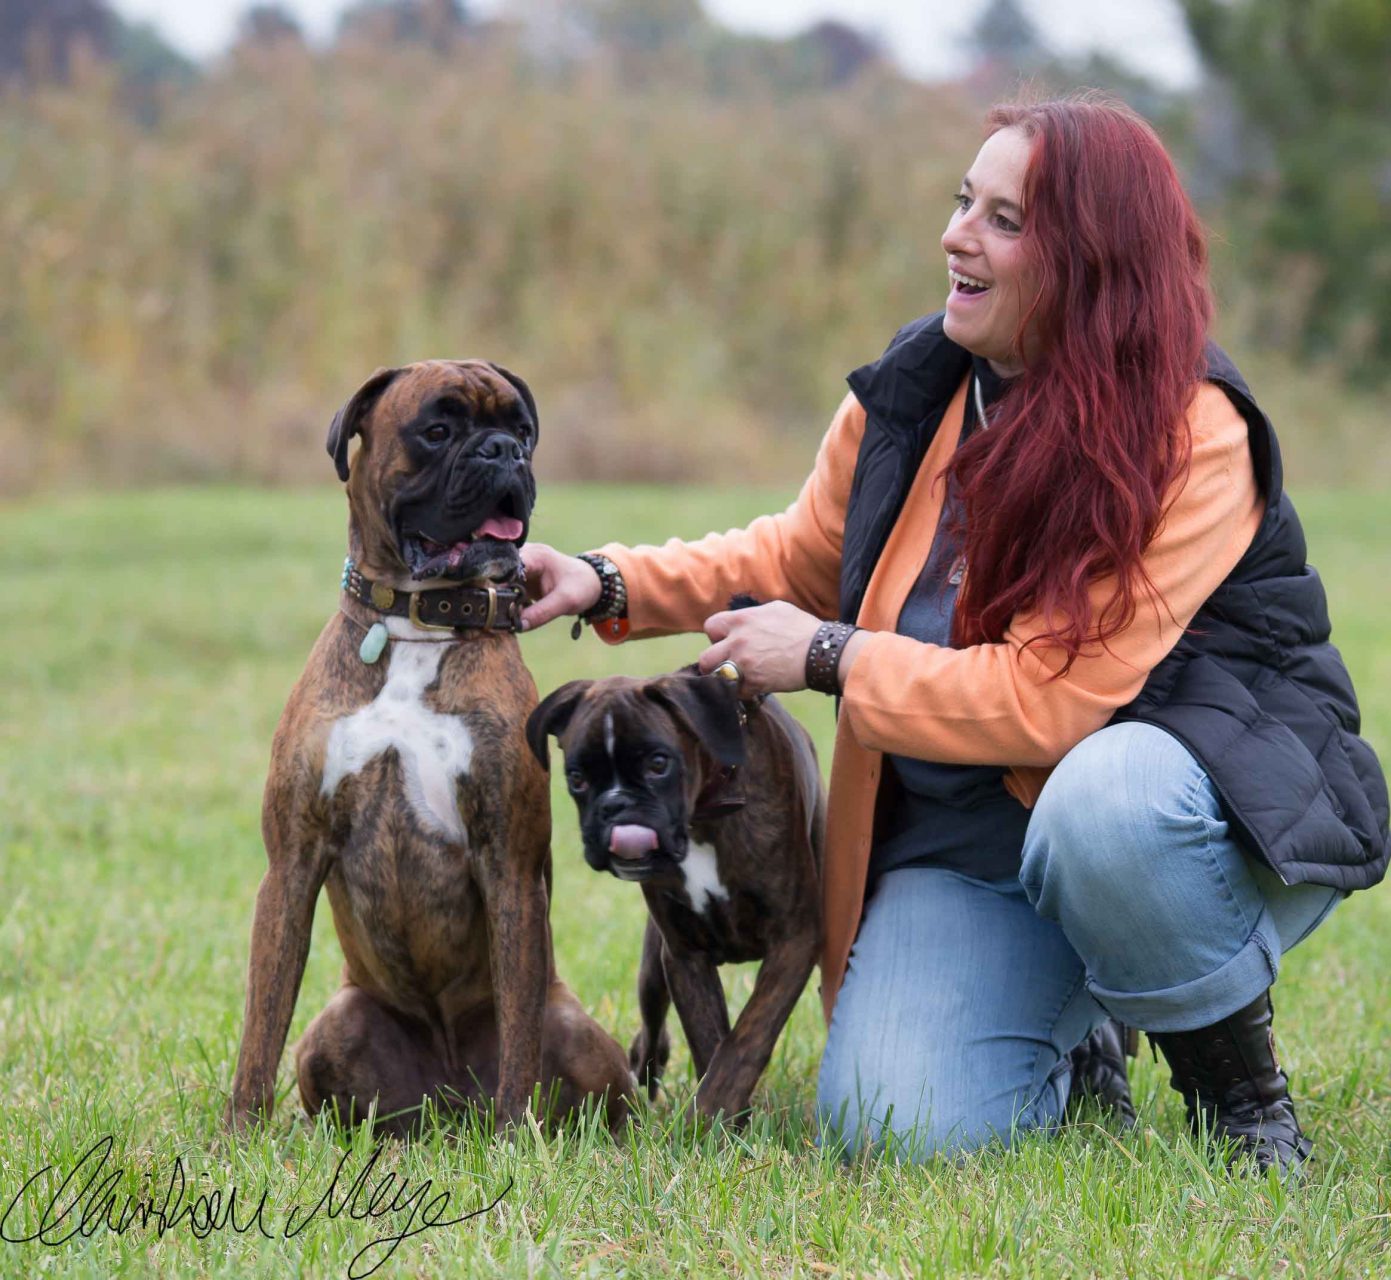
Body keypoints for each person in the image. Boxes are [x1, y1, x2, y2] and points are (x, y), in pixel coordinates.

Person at [520, 95, 1389, 1172]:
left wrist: (828, 655)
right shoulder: (917, 390)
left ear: (1090, 261)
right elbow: (795, 557)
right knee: (891, 1120)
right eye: (959, 201)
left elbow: (1052, 700)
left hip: (1184, 813)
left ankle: (1236, 1088)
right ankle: (1077, 1038)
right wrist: (604, 579)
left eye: (1004, 219)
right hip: (970, 847)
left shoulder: (1189, 432)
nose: (954, 235)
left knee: (1101, 806)